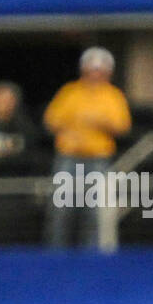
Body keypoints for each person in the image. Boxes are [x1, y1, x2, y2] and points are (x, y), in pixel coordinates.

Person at [42, 46, 131, 247]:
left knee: (94, 211)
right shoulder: (69, 92)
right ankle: (56, 255)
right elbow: (51, 121)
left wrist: (98, 122)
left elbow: (122, 126)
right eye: (92, 69)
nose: (95, 74)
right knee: (62, 208)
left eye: (100, 70)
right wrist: (76, 124)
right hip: (69, 157)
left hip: (98, 159)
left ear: (108, 72)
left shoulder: (113, 96)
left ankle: (91, 257)